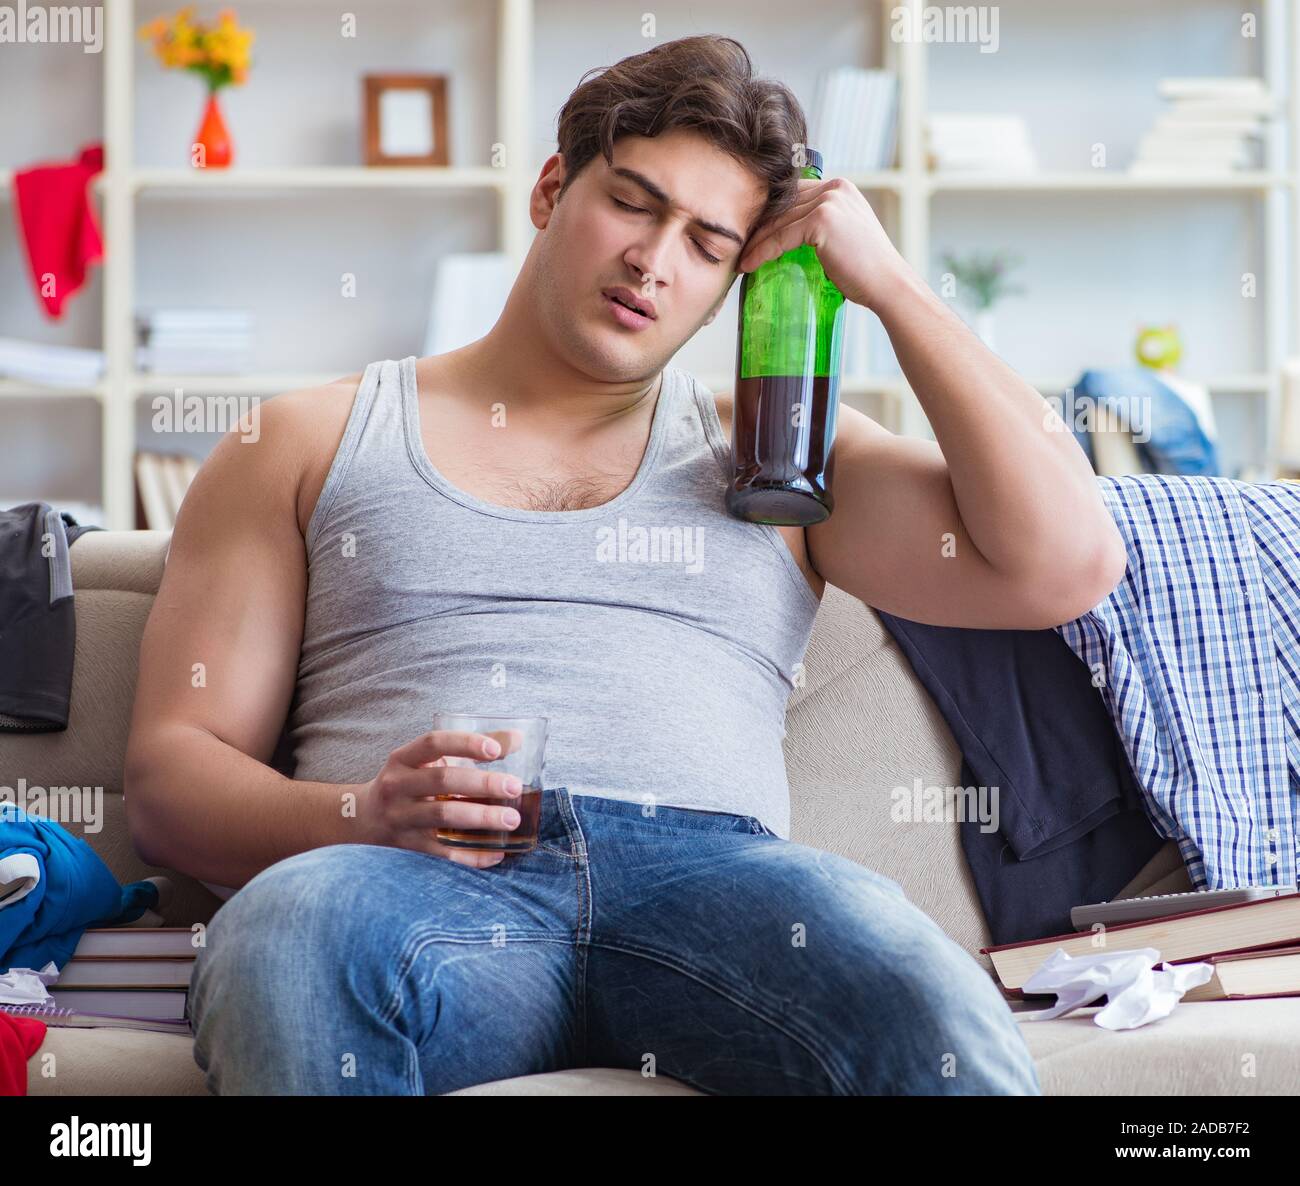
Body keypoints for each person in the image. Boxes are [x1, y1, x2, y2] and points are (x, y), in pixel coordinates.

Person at [124, 35, 1124, 1095]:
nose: (655, 260)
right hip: (413, 887)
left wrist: (888, 285)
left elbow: (1066, 563)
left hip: (721, 891)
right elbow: (170, 778)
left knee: (909, 968)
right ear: (553, 188)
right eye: (635, 204)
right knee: (286, 929)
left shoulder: (780, 455)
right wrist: (357, 815)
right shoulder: (304, 438)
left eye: (706, 242)